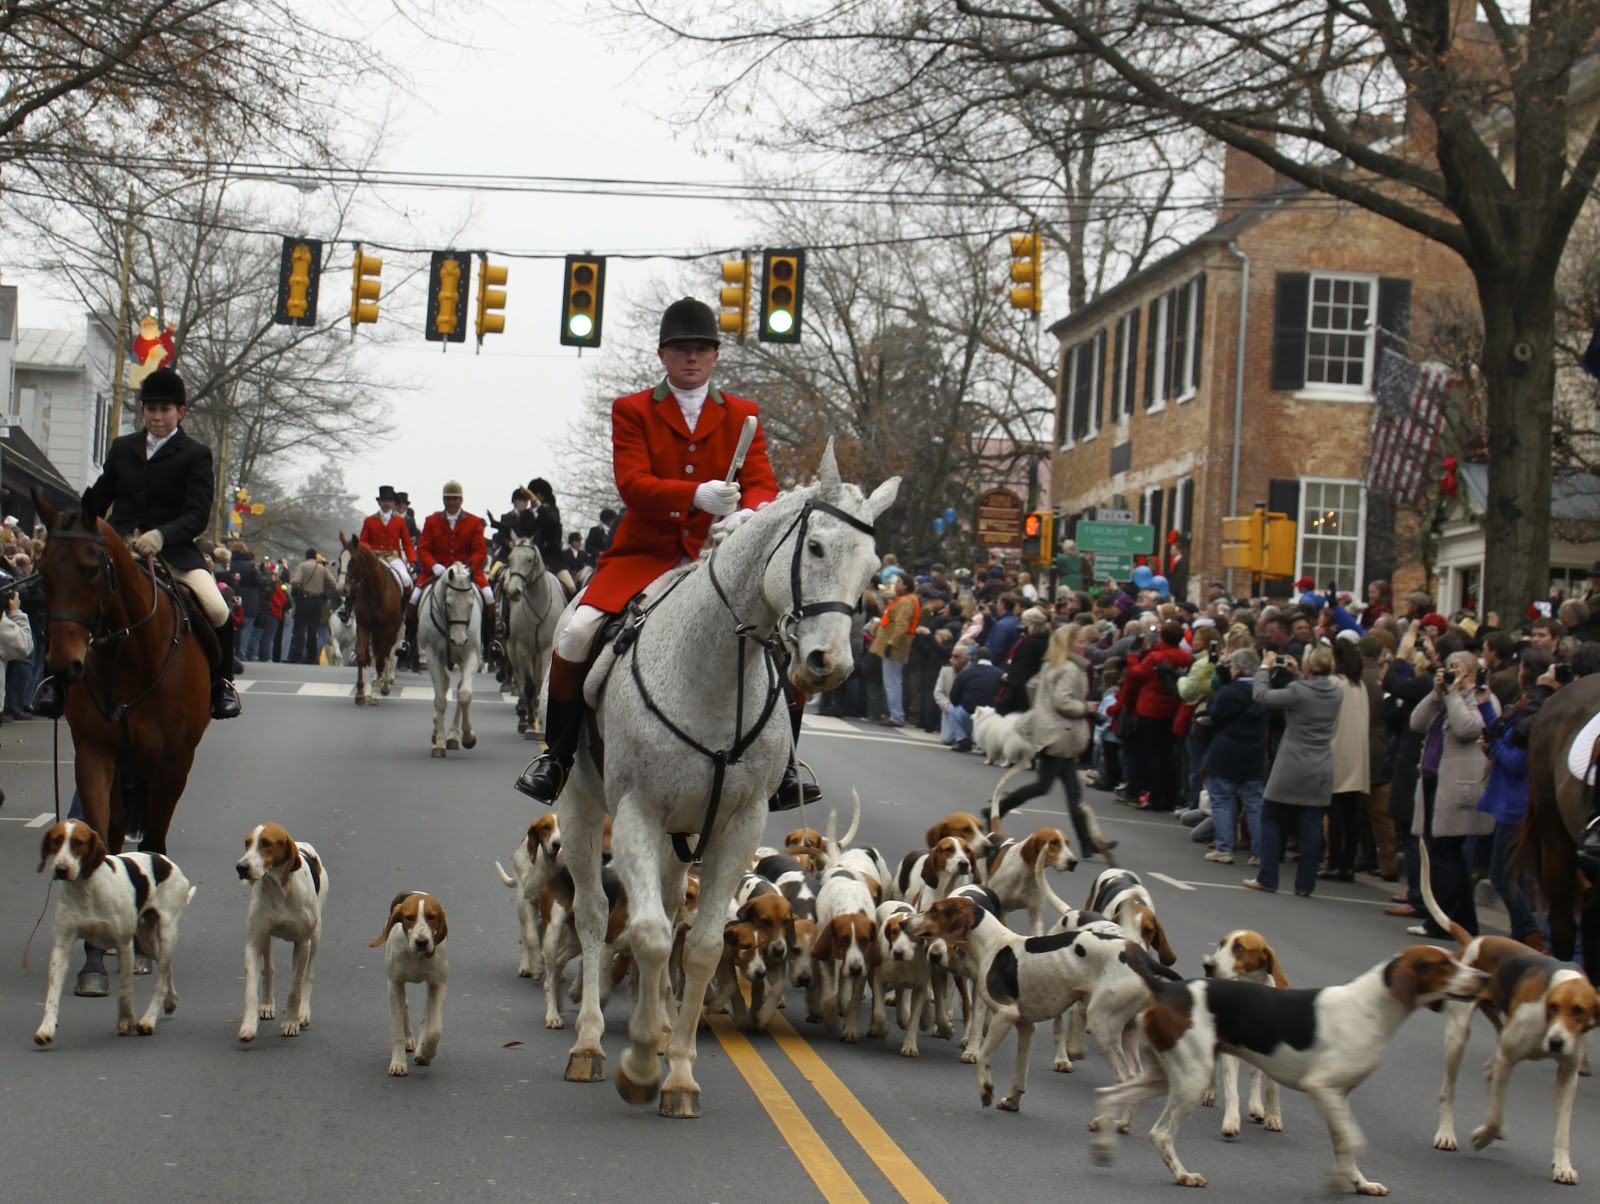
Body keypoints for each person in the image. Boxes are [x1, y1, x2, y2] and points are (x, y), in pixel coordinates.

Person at [515, 296, 806, 809]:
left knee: (786, 643)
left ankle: (784, 766)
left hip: (719, 559)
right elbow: (632, 483)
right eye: (680, 350)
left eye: (700, 349)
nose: (690, 358)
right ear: (663, 356)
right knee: (579, 632)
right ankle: (556, 757)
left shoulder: (743, 415)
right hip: (644, 555)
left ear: (715, 357)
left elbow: (761, 483)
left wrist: (748, 513)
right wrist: (692, 496)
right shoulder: (631, 410)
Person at [33, 367, 240, 720]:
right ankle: (54, 681)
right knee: (66, 592)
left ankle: (222, 685)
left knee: (218, 609)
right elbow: (100, 497)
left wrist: (161, 535)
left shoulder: (196, 454)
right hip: (119, 547)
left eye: (165, 410)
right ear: (142, 411)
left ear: (181, 413)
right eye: (151, 409)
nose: (157, 417)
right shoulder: (123, 448)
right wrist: (74, 522)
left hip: (173, 554)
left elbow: (197, 514)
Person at [986, 624, 1108, 856]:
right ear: (1069, 644)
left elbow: (1033, 686)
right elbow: (1063, 701)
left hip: (1052, 732)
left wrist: (1042, 711)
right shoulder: (1071, 669)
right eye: (1081, 642)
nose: (1086, 647)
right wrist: (1085, 707)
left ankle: (1087, 842)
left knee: (1064, 789)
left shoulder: (1052, 665)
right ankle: (997, 809)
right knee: (1053, 788)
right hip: (1059, 734)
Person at [1407, 650, 1495, 938]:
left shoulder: (1481, 699)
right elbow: (1416, 723)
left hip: (1456, 790)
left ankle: (1441, 922)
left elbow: (1467, 728)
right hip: (1434, 781)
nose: (1451, 674)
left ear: (1470, 674)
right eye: (1448, 668)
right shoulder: (1444, 698)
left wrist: (1455, 694)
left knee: (1446, 854)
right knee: (1444, 854)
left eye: (1457, 669)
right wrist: (1436, 693)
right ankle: (1464, 923)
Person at [1244, 643, 1341, 896]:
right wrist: (1298, 673)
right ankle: (1305, 884)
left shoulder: (1297, 691)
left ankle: (1268, 876)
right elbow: (1313, 693)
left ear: (1310, 666)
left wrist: (1264, 669)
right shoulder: (1336, 693)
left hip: (1292, 762)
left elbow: (1262, 696)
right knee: (1311, 825)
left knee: (1272, 817)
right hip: (1321, 765)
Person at [410, 481, 497, 654]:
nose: (451, 502)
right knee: (414, 597)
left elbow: (480, 550)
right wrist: (434, 566)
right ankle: (408, 641)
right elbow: (423, 548)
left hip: (467, 572)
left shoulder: (473, 522)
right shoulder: (431, 521)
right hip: (437, 571)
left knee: (489, 596)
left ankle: (490, 642)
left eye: (454, 499)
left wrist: (468, 567)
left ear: (461, 500)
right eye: (447, 499)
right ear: (443, 500)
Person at [1202, 648, 1267, 866]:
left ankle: (1224, 847)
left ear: (1237, 667)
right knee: (1254, 802)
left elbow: (1214, 714)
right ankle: (1260, 852)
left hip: (1226, 750)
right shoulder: (1262, 693)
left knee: (1221, 799)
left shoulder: (1228, 693)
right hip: (1254, 751)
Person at [348, 484, 417, 626]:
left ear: (393, 504)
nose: (386, 503)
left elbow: (407, 542)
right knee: (357, 579)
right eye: (384, 501)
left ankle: (404, 612)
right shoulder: (369, 520)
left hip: (393, 558)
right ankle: (348, 609)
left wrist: (411, 559)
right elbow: (363, 541)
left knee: (406, 580)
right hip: (375, 558)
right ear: (379, 502)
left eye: (389, 501)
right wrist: (369, 550)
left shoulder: (400, 521)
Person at [869, 573, 919, 727]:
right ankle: (894, 713)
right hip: (895, 646)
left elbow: (901, 626)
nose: (896, 585)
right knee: (893, 682)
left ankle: (896, 715)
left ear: (906, 585)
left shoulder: (905, 602)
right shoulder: (906, 600)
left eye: (898, 582)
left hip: (895, 648)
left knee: (893, 683)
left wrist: (891, 643)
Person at [288, 548, 338, 665]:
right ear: (316, 557)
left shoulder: (302, 566)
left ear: (306, 556)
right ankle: (312, 656)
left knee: (300, 629)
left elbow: (296, 581)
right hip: (317, 601)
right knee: (313, 630)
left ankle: (297, 655)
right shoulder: (322, 569)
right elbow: (333, 583)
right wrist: (325, 595)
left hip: (304, 600)